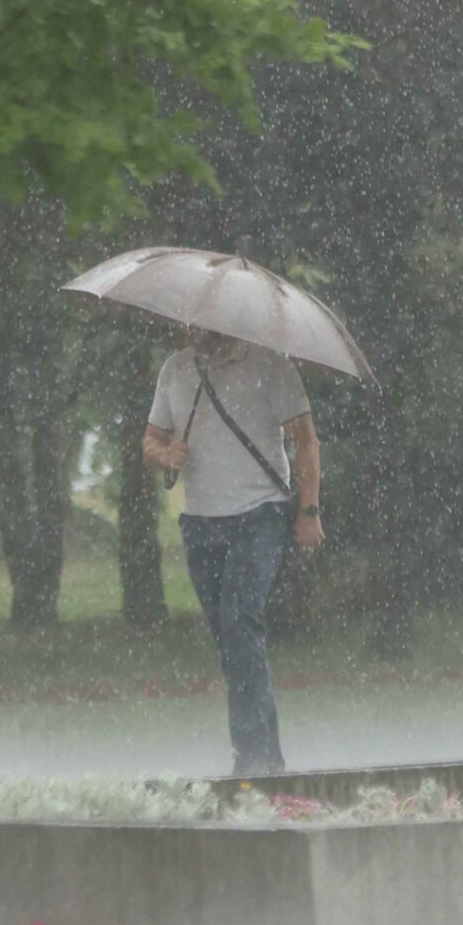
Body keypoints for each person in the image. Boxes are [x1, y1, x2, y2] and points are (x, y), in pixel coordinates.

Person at [141, 330, 323, 776]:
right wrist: (165, 455)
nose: (199, 328)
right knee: (231, 642)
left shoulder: (270, 364)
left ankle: (254, 761)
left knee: (240, 621)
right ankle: (264, 755)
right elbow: (149, 439)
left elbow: (306, 439)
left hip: (259, 514)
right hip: (200, 522)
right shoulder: (177, 367)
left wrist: (309, 509)